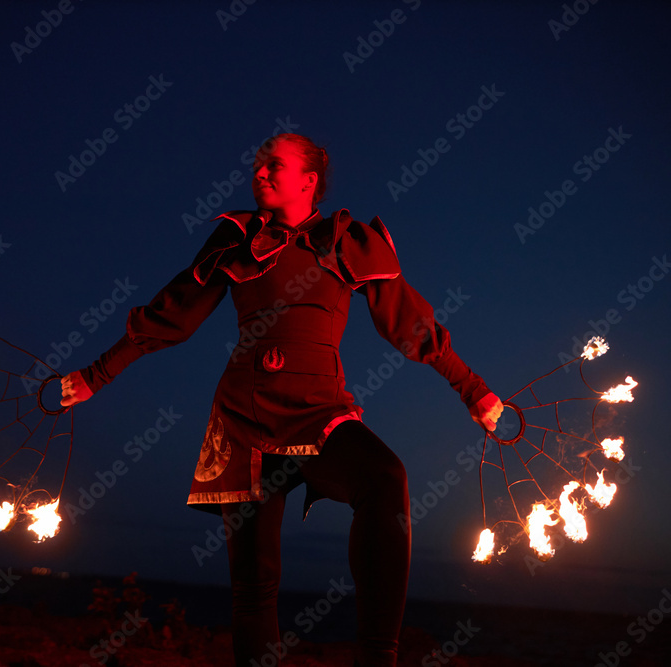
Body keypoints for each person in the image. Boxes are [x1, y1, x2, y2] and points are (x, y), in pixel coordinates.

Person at [60, 133, 503, 667]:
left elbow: (410, 324)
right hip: (241, 421)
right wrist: (96, 374)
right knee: (254, 586)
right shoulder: (234, 240)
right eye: (257, 166)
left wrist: (472, 388)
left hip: (320, 414)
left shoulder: (349, 241)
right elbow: (171, 316)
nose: (260, 174)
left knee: (386, 479)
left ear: (309, 181)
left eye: (274, 165)